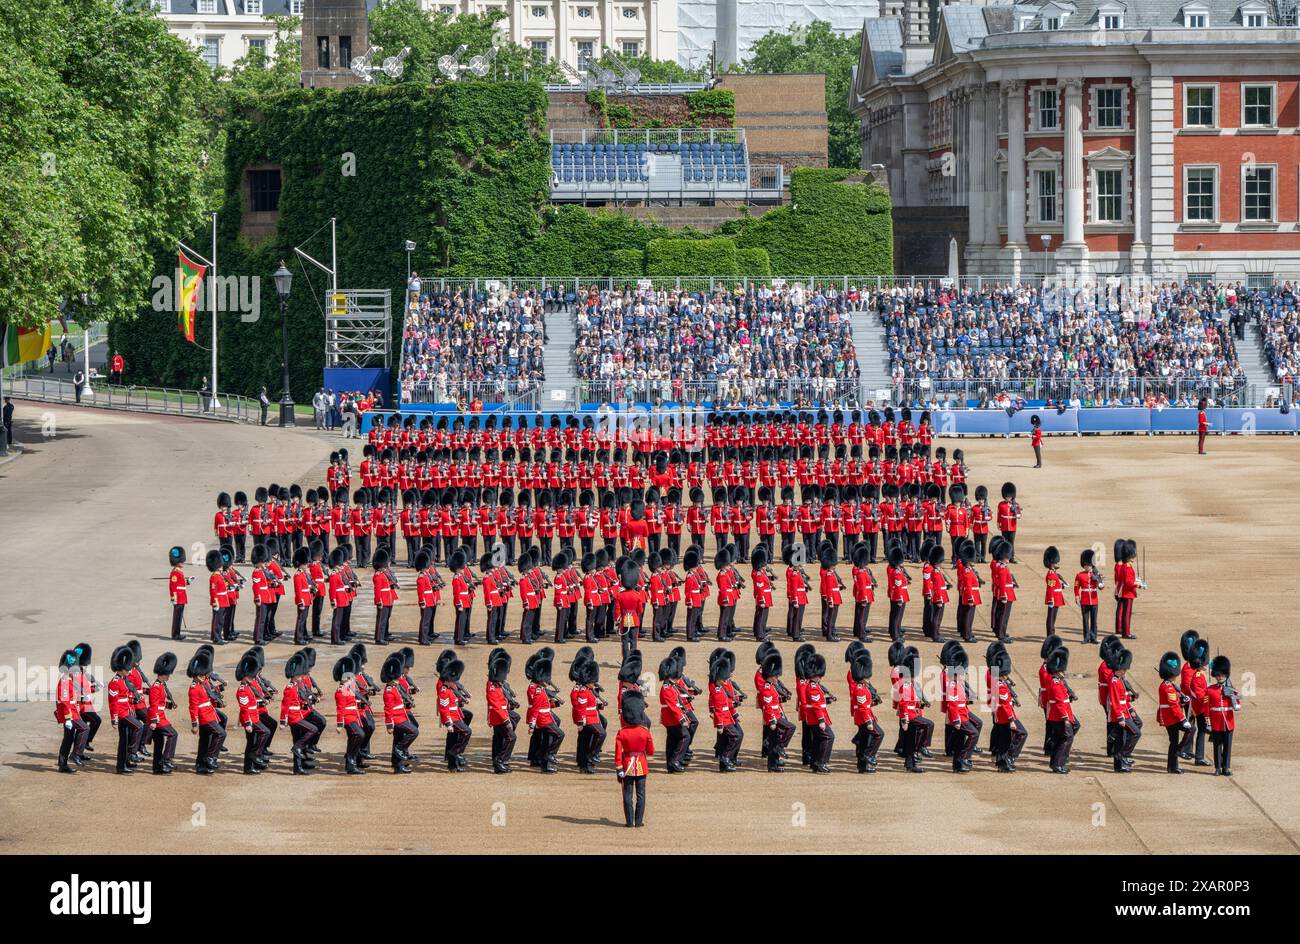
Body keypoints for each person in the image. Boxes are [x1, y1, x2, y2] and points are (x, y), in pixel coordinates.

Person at [614, 691, 654, 827]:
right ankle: (638, 821)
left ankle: (629, 822)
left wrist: (619, 767)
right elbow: (651, 751)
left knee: (627, 795)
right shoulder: (645, 731)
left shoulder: (622, 732)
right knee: (641, 795)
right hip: (641, 764)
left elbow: (618, 753)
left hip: (626, 765)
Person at [1157, 651, 1192, 774]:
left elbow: (1175, 702)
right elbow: (1173, 706)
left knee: (1173, 741)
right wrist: (1183, 720)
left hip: (1170, 716)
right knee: (1190, 729)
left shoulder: (1168, 685)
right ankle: (1180, 751)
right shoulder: (1168, 687)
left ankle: (1172, 766)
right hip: (1171, 718)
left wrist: (1183, 700)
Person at [1205, 655, 1238, 776]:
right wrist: (1208, 722)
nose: (1220, 677)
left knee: (1227, 746)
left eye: (1222, 674)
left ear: (1226, 674)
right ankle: (1218, 767)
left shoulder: (1231, 689)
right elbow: (1207, 707)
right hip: (1216, 721)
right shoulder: (1210, 690)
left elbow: (1237, 706)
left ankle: (1226, 767)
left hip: (1228, 721)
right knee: (1217, 746)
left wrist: (1231, 695)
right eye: (1218, 675)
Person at [147, 652, 179, 775]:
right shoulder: (155, 687)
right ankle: (166, 759)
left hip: (160, 715)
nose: (169, 676)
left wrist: (169, 705)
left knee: (159, 743)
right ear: (163, 674)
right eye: (168, 674)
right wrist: (154, 721)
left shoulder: (161, 685)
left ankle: (157, 768)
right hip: (157, 718)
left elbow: (160, 703)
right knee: (173, 734)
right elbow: (154, 705)